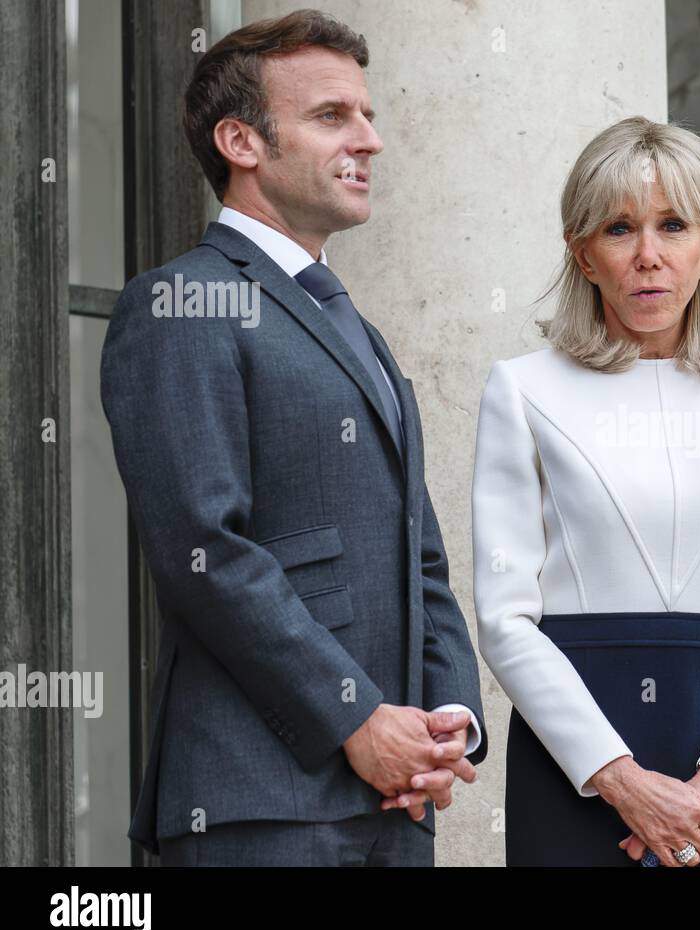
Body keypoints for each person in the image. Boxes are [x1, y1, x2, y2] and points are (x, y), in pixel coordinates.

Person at [100, 10, 486, 866]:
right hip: (256, 807)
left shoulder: (352, 326)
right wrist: (353, 717)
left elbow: (415, 552)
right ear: (241, 141)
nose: (370, 139)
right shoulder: (180, 303)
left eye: (368, 114)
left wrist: (449, 714)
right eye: (332, 116)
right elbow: (205, 549)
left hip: (394, 803)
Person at [471, 116, 700, 866]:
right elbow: (506, 620)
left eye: (673, 226)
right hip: (573, 766)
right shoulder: (522, 389)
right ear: (584, 254)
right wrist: (619, 779)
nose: (648, 256)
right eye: (618, 229)